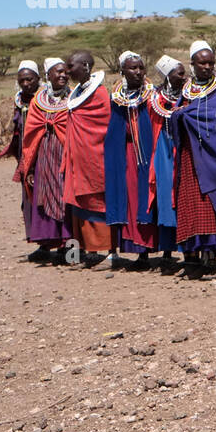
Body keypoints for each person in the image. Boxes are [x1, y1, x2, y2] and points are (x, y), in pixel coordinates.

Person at [174, 40, 216, 276]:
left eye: (211, 62)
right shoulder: (186, 91)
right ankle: (202, 260)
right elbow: (178, 116)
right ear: (192, 64)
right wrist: (181, 116)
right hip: (191, 156)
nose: (207, 67)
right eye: (202, 63)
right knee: (195, 205)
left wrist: (190, 117)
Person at [105, 51, 158, 269]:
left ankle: (148, 251)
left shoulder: (154, 95)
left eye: (140, 67)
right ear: (122, 72)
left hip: (148, 154)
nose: (137, 72)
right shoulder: (116, 99)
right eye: (132, 68)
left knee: (146, 197)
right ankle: (132, 248)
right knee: (128, 198)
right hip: (125, 155)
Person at [18, 59, 73, 261]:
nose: (62, 75)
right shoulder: (39, 100)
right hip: (44, 156)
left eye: (65, 72)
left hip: (67, 155)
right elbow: (31, 133)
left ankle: (71, 252)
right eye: (58, 72)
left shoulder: (75, 97)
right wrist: (30, 166)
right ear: (48, 75)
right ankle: (46, 247)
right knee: (44, 199)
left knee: (67, 203)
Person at [63, 49, 113, 266]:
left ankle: (109, 251)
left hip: (96, 157)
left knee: (99, 203)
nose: (67, 71)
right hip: (79, 159)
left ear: (85, 66)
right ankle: (90, 251)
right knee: (81, 204)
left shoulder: (99, 94)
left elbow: (104, 124)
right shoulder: (77, 93)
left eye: (70, 66)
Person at [148, 55, 185, 269]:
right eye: (179, 73)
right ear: (168, 76)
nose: (184, 76)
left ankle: (189, 249)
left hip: (184, 146)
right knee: (165, 194)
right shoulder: (155, 98)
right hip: (163, 146)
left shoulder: (191, 93)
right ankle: (168, 248)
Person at [4, 61, 42, 243]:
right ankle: (39, 241)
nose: (26, 84)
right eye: (22, 80)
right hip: (25, 157)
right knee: (28, 199)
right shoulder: (19, 101)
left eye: (29, 79)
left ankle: (58, 244)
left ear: (38, 79)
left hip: (44, 155)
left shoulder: (47, 99)